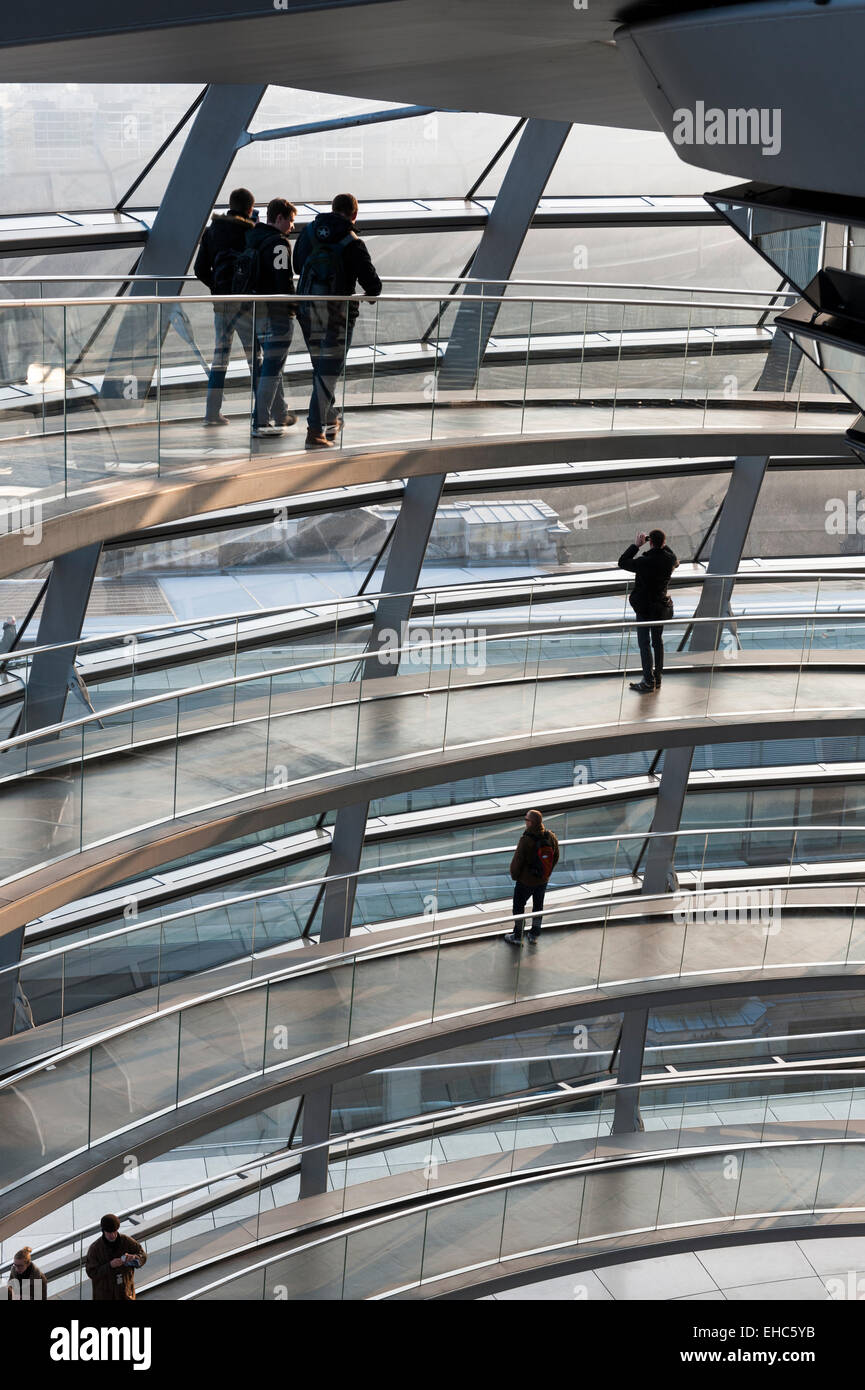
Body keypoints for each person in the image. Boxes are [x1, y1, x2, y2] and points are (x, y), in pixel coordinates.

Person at [293, 192, 382, 449]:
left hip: (307, 310)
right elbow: (373, 285)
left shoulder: (309, 233)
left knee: (321, 368)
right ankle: (314, 430)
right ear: (354, 215)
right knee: (329, 371)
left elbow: (299, 267)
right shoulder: (352, 242)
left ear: (332, 209)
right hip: (338, 315)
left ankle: (331, 417)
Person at [194, 186, 262, 427]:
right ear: (250, 209)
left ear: (230, 204)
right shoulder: (251, 233)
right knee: (255, 357)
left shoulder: (212, 231)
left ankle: (212, 413)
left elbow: (199, 269)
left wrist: (217, 287)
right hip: (245, 304)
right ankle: (261, 411)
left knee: (220, 356)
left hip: (221, 305)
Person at [244, 197, 299, 437]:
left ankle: (280, 413)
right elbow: (283, 280)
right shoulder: (279, 243)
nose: (292, 227)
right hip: (276, 314)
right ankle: (261, 421)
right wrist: (294, 306)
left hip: (257, 312)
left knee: (271, 365)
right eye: (290, 221)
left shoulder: (252, 239)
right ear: (279, 218)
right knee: (273, 368)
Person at [618, 528, 679, 693]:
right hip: (660, 608)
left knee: (644, 644)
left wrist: (637, 545)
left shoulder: (644, 561)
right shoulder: (670, 559)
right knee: (657, 642)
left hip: (644, 609)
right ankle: (657, 679)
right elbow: (675, 560)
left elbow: (622, 562)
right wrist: (662, 546)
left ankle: (648, 680)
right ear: (664, 543)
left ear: (649, 542)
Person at [503, 809, 559, 946]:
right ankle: (534, 934)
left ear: (531, 822)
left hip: (526, 881)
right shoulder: (550, 836)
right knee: (538, 907)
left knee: (518, 907)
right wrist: (547, 873)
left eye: (526, 819)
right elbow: (555, 856)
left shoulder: (526, 839)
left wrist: (515, 876)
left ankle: (517, 935)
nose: (525, 822)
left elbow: (517, 861)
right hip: (543, 880)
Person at [85, 1214, 147, 1302]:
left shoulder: (127, 1241)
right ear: (103, 1231)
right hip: (104, 1295)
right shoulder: (95, 1249)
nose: (113, 1235)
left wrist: (134, 1258)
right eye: (109, 1232)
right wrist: (110, 1265)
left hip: (125, 1292)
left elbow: (143, 1255)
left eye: (115, 1231)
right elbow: (91, 1272)